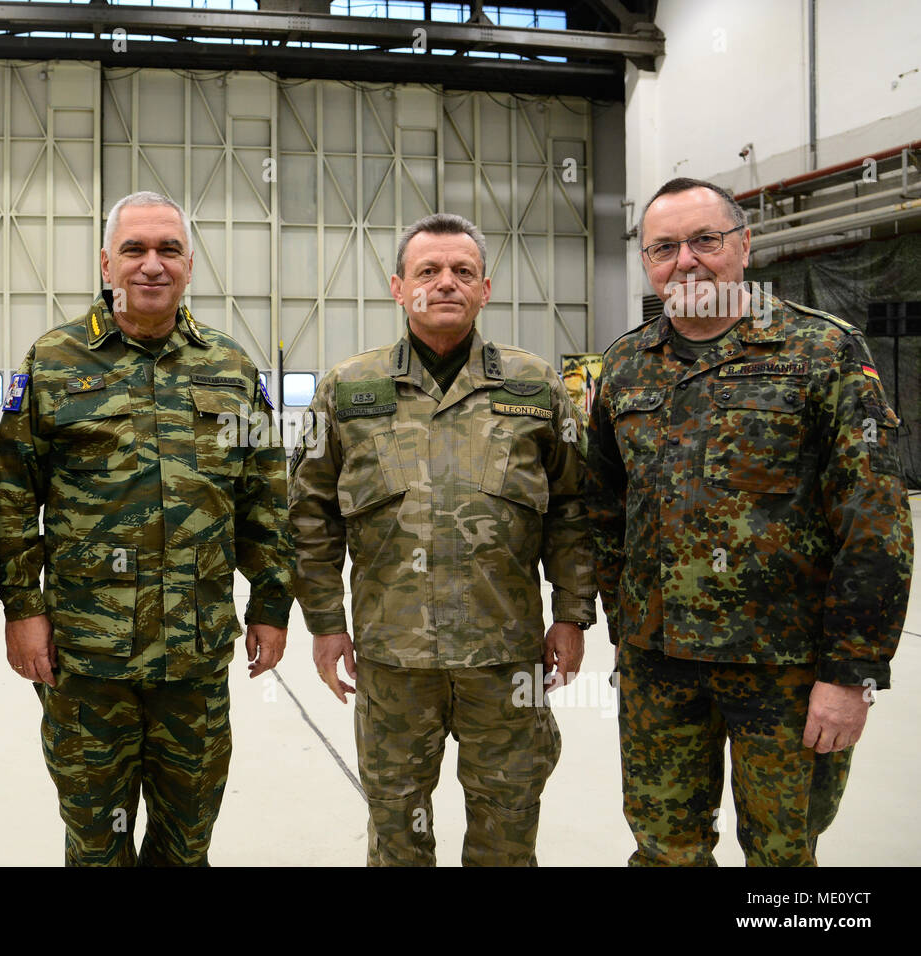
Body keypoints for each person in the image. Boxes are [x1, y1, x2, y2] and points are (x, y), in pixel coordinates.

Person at [586, 176, 914, 866]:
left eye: (705, 240)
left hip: (786, 671)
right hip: (659, 667)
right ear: (647, 263)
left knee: (783, 854)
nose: (687, 260)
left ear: (744, 244)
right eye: (664, 248)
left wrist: (851, 671)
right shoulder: (623, 368)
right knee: (663, 848)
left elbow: (874, 521)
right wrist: (625, 630)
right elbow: (603, 507)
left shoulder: (822, 351)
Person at [0, 190, 293, 866]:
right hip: (86, 664)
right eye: (135, 249)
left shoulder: (231, 368)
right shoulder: (55, 361)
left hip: (195, 658)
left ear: (189, 266)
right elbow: (11, 496)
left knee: (187, 846)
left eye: (169, 250)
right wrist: (23, 610)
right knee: (96, 846)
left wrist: (272, 606)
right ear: (106, 263)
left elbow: (266, 496)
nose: (151, 264)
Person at [288, 212, 596, 866]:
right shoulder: (349, 390)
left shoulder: (534, 387)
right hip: (393, 661)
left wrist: (571, 615)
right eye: (428, 271)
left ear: (486, 288)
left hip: (506, 657)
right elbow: (312, 514)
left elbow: (572, 508)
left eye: (463, 271)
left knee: (508, 831)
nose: (445, 283)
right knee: (398, 833)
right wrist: (324, 623)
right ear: (398, 288)